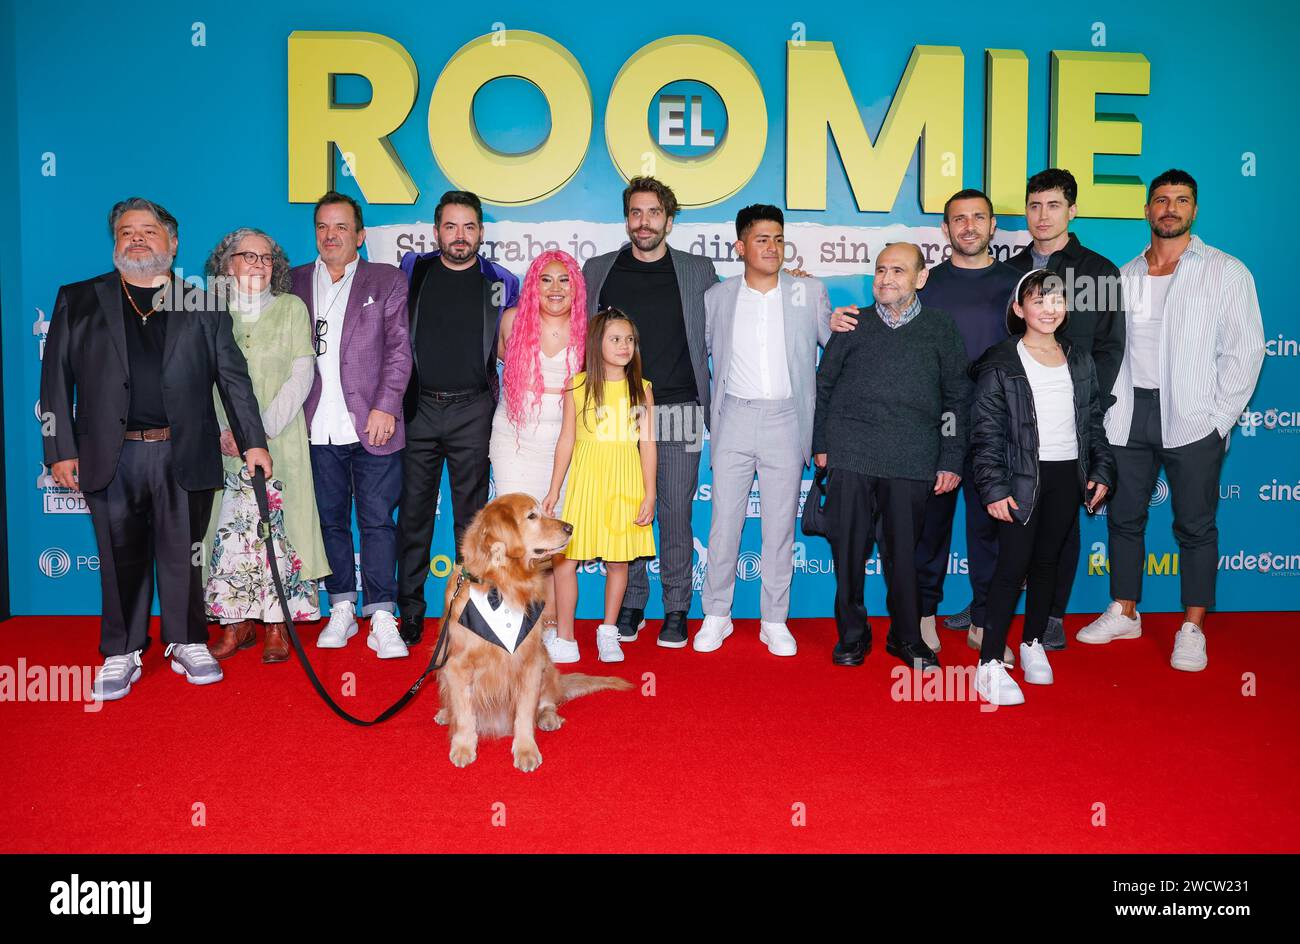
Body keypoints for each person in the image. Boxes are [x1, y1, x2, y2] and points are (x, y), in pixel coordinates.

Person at [40, 197, 271, 700]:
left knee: (184, 554)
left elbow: (235, 381)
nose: (138, 238)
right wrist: (59, 449)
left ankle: (188, 640)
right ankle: (122, 651)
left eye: (149, 230)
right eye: (127, 231)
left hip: (182, 452)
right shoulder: (78, 299)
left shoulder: (203, 304)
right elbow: (55, 378)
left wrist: (253, 442)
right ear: (116, 242)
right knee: (119, 554)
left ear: (173, 242)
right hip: (109, 454)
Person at [1077, 169, 1265, 671]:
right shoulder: (1124, 274)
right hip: (1128, 417)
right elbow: (1109, 349)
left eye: (1181, 200)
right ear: (1147, 210)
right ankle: (1125, 609)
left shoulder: (1226, 272)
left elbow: (1247, 351)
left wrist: (1218, 420)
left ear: (1194, 210)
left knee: (1196, 526)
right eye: (1161, 200)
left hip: (1192, 417)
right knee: (1124, 517)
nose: (1170, 208)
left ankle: (1193, 627)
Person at [838, 189, 1019, 660]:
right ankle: (919, 619)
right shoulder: (927, 283)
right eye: (959, 219)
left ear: (992, 225)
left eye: (978, 217)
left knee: (989, 530)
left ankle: (984, 621)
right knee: (926, 533)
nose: (969, 226)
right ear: (946, 229)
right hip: (932, 434)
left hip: (997, 425)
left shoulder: (1018, 283)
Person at [813, 243, 969, 672]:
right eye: (881, 270)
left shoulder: (941, 328)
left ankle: (906, 637)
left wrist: (951, 458)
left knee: (904, 559)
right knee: (847, 553)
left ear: (920, 278)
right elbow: (824, 386)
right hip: (851, 456)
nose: (885, 278)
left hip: (913, 460)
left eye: (897, 271)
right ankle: (852, 635)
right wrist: (822, 444)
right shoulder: (852, 324)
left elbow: (956, 398)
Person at [969, 269, 1116, 705]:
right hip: (1019, 478)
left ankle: (1032, 642)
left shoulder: (1079, 358)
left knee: (1048, 562)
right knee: (1012, 567)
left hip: (1066, 475)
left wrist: (1101, 469)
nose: (1049, 309)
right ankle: (990, 663)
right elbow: (985, 434)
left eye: (1056, 300)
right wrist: (994, 489)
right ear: (1019, 309)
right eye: (1038, 300)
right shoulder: (1000, 362)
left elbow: (1093, 422)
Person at [581, 177, 716, 649]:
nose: (644, 222)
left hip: (680, 407)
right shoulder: (598, 269)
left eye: (654, 213)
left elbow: (730, 316)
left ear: (669, 220)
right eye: (636, 213)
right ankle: (633, 603)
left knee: (675, 510)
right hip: (619, 409)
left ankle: (677, 607)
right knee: (628, 510)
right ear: (627, 219)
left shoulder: (699, 270)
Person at [693, 204, 832, 657]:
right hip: (733, 416)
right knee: (723, 523)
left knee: (778, 527)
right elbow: (706, 354)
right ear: (740, 247)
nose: (772, 247)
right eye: (761, 239)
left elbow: (839, 350)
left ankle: (775, 619)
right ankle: (717, 615)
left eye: (777, 238)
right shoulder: (718, 297)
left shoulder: (808, 292)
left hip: (787, 419)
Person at [291, 191, 412, 659]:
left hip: (373, 423)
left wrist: (386, 406)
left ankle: (382, 613)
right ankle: (341, 604)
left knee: (378, 521)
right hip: (314, 427)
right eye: (323, 227)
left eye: (342, 227)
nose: (331, 235)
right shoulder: (295, 282)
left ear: (360, 235)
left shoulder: (386, 280)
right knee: (330, 521)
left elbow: (400, 349)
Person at [1007, 168, 1125, 648]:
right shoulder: (1011, 270)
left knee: (1060, 518)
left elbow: (1111, 347)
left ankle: (1053, 611)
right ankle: (993, 599)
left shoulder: (1100, 271)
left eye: (1053, 205)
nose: (1042, 215)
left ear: (1071, 211)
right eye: (1034, 206)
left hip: (1072, 418)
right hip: (1016, 417)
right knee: (1011, 507)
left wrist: (1087, 406)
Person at [397, 190, 520, 645]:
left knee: (472, 521)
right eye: (450, 226)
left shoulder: (502, 281)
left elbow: (517, 344)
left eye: (469, 227)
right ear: (436, 232)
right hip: (419, 409)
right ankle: (409, 612)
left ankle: (471, 613)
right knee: (413, 516)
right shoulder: (415, 271)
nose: (460, 236)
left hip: (474, 409)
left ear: (482, 233)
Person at [202, 227, 330, 664]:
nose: (258, 263)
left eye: (266, 257)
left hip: (280, 440)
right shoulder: (210, 309)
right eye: (248, 256)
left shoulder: (292, 308)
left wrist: (258, 433)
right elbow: (196, 379)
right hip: (221, 442)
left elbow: (302, 376)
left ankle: (278, 623)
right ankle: (234, 622)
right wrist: (224, 431)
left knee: (280, 533)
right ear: (227, 263)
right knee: (229, 533)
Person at [543, 309, 657, 663]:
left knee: (619, 561)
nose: (624, 346)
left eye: (629, 340)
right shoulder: (577, 387)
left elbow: (648, 444)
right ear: (597, 343)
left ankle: (608, 632)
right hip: (586, 483)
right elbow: (566, 441)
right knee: (565, 561)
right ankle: (565, 637)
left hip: (625, 483)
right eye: (615, 339)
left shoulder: (643, 390)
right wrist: (553, 490)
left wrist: (649, 492)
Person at [489, 250, 587, 636]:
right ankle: (511, 618)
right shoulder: (512, 321)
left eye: (564, 279)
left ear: (576, 287)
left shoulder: (586, 330)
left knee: (551, 535)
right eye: (546, 279)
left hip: (562, 444)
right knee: (515, 534)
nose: (555, 288)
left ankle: (549, 620)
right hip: (513, 438)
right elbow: (500, 357)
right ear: (533, 285)